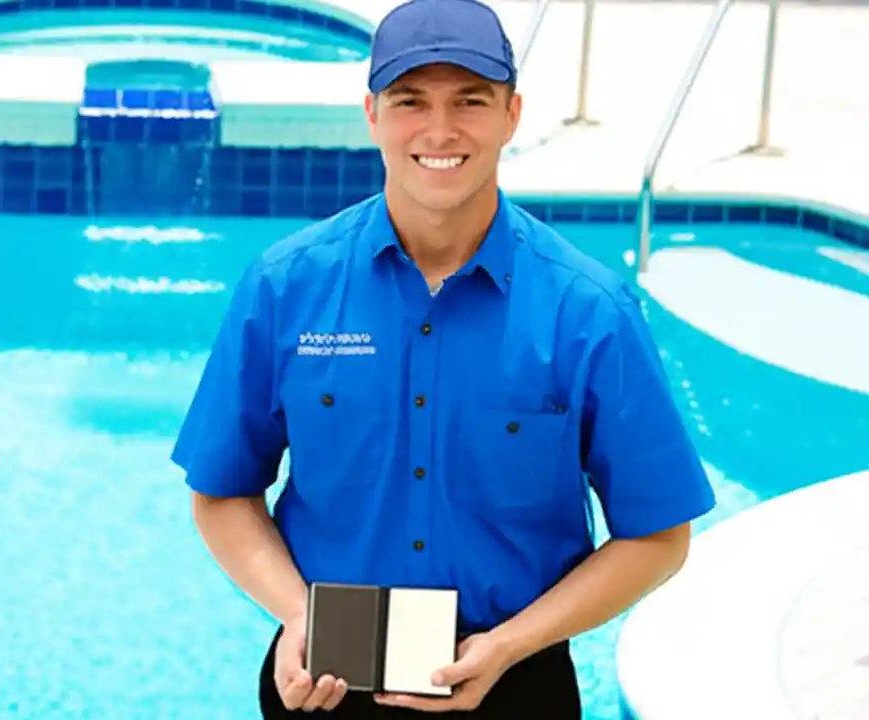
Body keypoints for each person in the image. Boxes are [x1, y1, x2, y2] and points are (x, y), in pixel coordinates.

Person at [169, 0, 717, 716]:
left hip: (514, 681)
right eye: (410, 101)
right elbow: (221, 492)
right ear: (372, 114)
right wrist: (299, 615)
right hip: (324, 679)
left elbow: (659, 536)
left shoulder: (589, 311)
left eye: (470, 100)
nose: (439, 130)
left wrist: (510, 645)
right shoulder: (285, 286)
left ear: (512, 115)